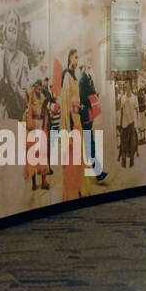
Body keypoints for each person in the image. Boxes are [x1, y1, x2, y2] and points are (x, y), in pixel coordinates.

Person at [60, 48, 85, 200]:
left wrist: (80, 108)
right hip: (71, 125)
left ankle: (78, 189)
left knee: (79, 159)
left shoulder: (75, 77)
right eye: (75, 57)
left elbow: (75, 101)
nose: (77, 60)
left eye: (78, 58)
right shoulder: (66, 76)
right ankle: (71, 193)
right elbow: (65, 105)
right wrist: (67, 130)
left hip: (78, 123)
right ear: (70, 57)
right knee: (71, 162)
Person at [78, 57, 106, 181]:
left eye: (91, 67)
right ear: (84, 67)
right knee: (90, 143)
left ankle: (95, 169)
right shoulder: (82, 80)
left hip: (88, 113)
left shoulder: (88, 79)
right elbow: (83, 98)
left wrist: (95, 96)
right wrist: (93, 102)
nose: (90, 69)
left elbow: (92, 91)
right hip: (85, 114)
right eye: (88, 67)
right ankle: (97, 171)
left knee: (89, 142)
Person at [23, 79, 50, 191]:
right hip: (32, 130)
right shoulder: (30, 98)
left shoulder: (42, 97)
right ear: (35, 87)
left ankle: (43, 181)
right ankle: (34, 183)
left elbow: (45, 112)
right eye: (38, 88)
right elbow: (28, 115)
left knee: (42, 156)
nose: (40, 90)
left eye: (40, 89)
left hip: (41, 129)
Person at [119, 82, 138, 167]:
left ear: (131, 88)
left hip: (132, 123)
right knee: (124, 143)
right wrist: (120, 123)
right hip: (124, 123)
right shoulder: (122, 98)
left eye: (128, 87)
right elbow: (121, 111)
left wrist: (136, 123)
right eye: (125, 88)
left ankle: (132, 161)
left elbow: (136, 110)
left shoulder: (134, 98)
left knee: (132, 143)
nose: (127, 89)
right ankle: (123, 162)